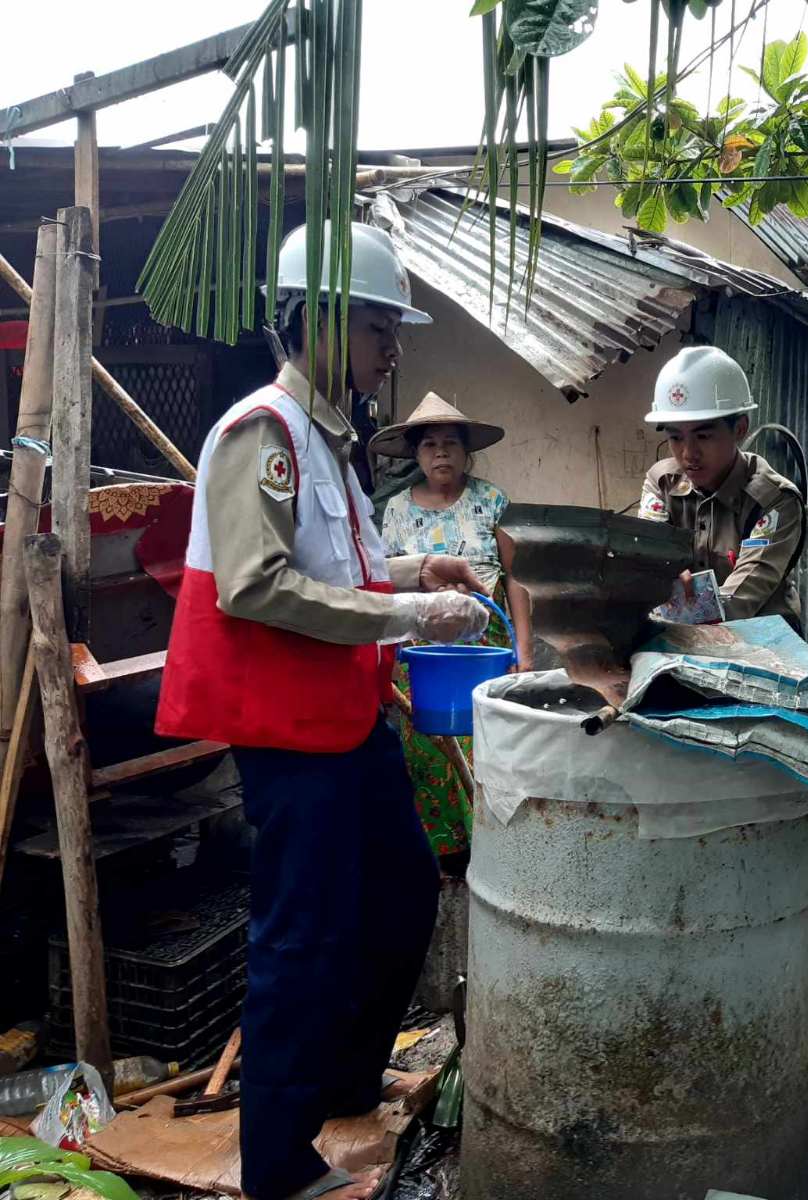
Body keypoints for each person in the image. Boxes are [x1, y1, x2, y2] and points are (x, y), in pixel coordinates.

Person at [157, 223, 489, 1200]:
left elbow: (332, 574)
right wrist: (412, 609)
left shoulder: (329, 440)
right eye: (381, 328)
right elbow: (257, 587)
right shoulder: (260, 432)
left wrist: (415, 571)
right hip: (289, 732)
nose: (392, 350)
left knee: (401, 895)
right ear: (325, 320)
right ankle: (278, 1161)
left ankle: (345, 1080)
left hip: (347, 718)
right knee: (299, 936)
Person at [372, 394, 533, 863]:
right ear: (417, 456)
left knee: (487, 745)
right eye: (429, 445)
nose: (440, 452)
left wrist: (525, 649)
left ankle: (495, 847)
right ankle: (443, 855)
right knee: (427, 750)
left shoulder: (493, 501)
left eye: (449, 443)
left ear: (466, 452)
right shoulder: (398, 508)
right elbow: (385, 582)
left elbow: (516, 578)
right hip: (422, 657)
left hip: (486, 649)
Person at [637, 345, 804, 627]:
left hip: (763, 647)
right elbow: (645, 561)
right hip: (679, 637)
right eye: (676, 438)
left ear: (739, 429)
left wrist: (665, 594)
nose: (688, 453)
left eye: (703, 436)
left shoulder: (775, 500)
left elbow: (739, 600)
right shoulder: (662, 483)